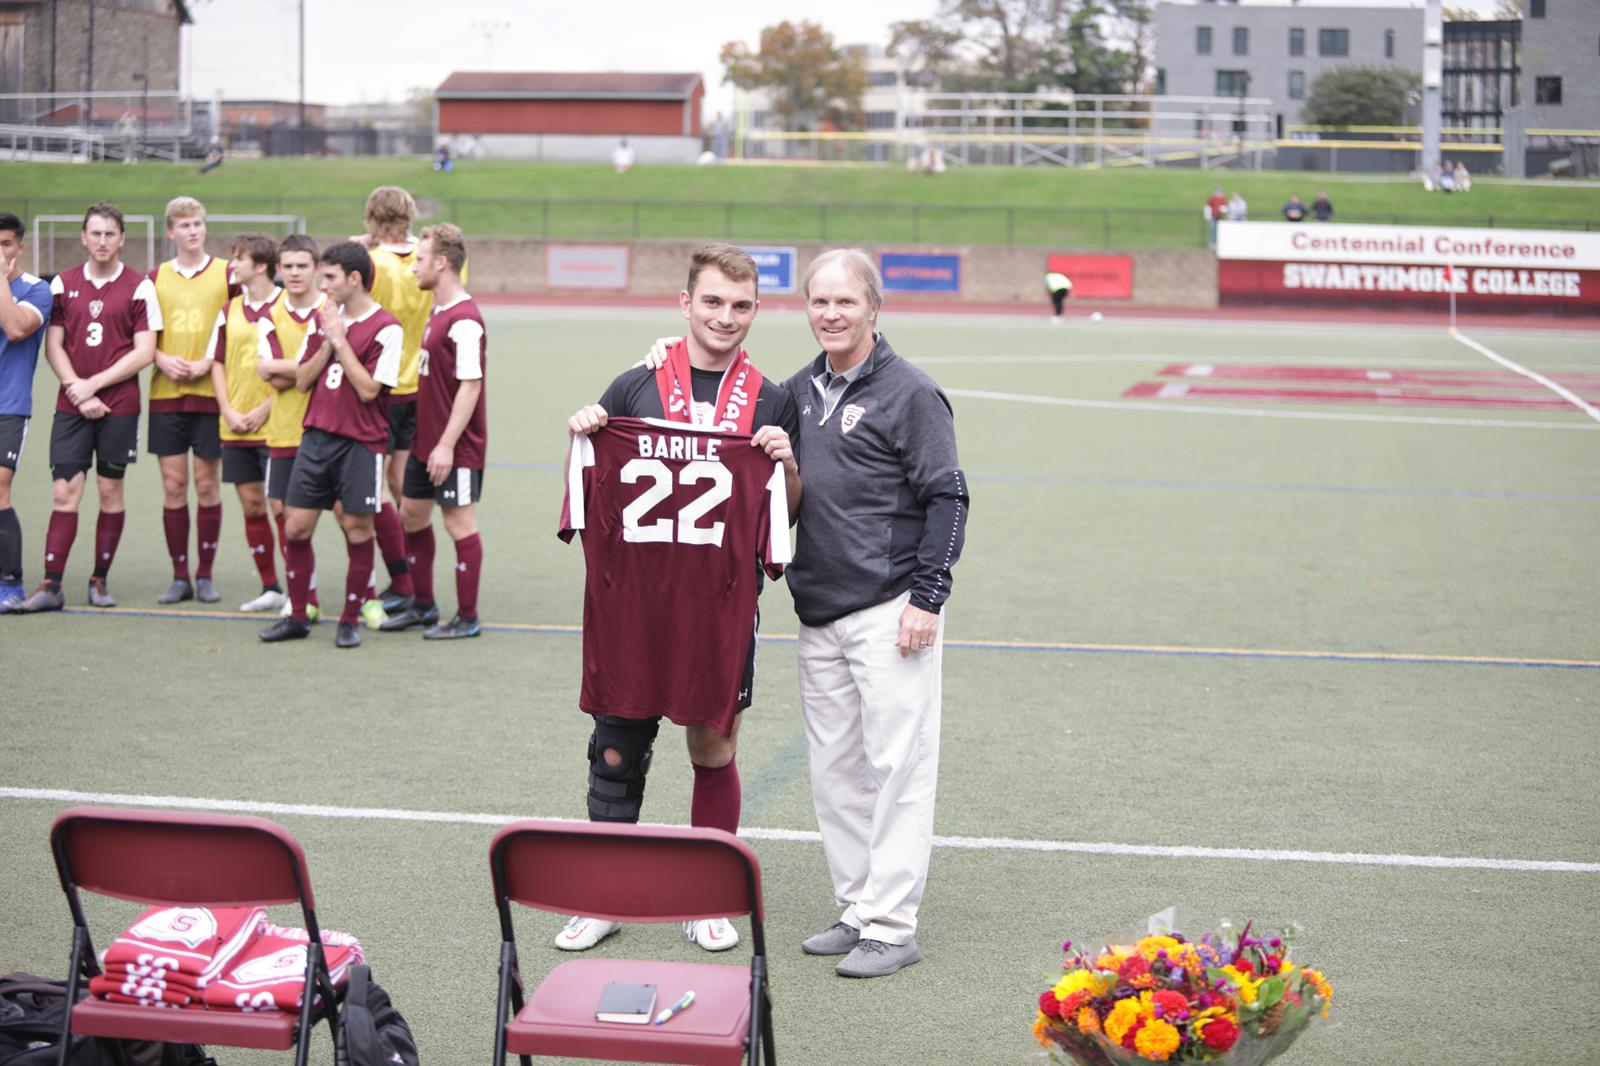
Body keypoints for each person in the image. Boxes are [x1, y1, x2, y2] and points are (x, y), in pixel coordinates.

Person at [559, 243, 800, 954]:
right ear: (686, 304)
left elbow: (789, 511)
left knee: (714, 740)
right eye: (714, 302)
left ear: (757, 310)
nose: (726, 317)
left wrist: (785, 464)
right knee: (616, 745)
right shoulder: (633, 386)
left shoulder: (772, 398)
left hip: (721, 602)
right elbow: (591, 477)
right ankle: (603, 896)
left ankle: (706, 894)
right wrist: (583, 433)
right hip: (635, 600)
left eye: (742, 305)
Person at [783, 249, 968, 979]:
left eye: (845, 302)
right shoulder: (796, 389)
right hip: (819, 606)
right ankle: (858, 907)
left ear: (874, 308)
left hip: (892, 606)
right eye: (819, 301)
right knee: (835, 771)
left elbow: (948, 497)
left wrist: (928, 597)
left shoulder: (912, 392)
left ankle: (893, 925)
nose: (831, 313)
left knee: (899, 769)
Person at [12, 201, 161, 613]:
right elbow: (54, 344)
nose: (102, 241)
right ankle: (51, 584)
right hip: (72, 405)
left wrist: (93, 385)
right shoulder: (62, 284)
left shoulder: (139, 286)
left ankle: (99, 579)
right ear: (83, 237)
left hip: (120, 406)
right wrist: (76, 389)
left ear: (122, 239)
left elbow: (145, 351)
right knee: (64, 491)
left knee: (110, 489)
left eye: (110, 233)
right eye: (95, 233)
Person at [257, 242, 401, 649]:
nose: (323, 284)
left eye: (330, 277)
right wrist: (327, 339)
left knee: (357, 531)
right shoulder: (325, 318)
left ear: (354, 279)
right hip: (316, 438)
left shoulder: (387, 328)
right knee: (296, 527)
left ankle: (350, 620)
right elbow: (302, 380)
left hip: (361, 445)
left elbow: (371, 389)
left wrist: (341, 341)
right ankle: (299, 615)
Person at [383, 223, 487, 639]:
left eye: (420, 261)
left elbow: (471, 385)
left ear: (441, 263)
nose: (414, 270)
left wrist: (446, 445)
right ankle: (423, 606)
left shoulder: (465, 320)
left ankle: (467, 617)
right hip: (425, 445)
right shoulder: (438, 311)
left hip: (455, 449)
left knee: (459, 524)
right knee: (412, 515)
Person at [148, 196, 232, 606]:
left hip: (210, 396)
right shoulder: (155, 277)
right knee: (173, 485)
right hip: (167, 396)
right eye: (184, 226)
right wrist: (161, 358)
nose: (193, 231)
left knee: (206, 485)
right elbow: (144, 336)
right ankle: (179, 575)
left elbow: (240, 328)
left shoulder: (226, 275)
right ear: (171, 232)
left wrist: (209, 362)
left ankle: (205, 575)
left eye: (198, 223)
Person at [356, 186, 427, 622]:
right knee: (402, 488)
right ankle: (413, 576)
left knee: (374, 490)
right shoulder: (429, 256)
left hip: (378, 386)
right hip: (421, 382)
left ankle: (401, 580)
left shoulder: (366, 263)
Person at [208, 233, 284, 613]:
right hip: (235, 425)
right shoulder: (229, 309)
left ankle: (300, 589)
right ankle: (271, 587)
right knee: (252, 506)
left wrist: (266, 408)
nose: (232, 265)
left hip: (278, 426)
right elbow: (217, 363)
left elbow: (304, 367)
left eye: (239, 259)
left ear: (261, 266)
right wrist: (227, 410)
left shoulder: (287, 305)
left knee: (282, 508)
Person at [255, 233, 324, 622]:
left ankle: (367, 594)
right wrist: (305, 366)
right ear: (278, 269)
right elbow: (276, 378)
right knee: (283, 513)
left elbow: (303, 372)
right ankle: (304, 596)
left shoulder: (332, 309)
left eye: (303, 266)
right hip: (283, 428)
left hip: (326, 430)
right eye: (289, 266)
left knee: (352, 518)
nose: (296, 273)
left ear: (316, 268)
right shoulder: (270, 315)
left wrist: (293, 368)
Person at [0, 213, 53, 611]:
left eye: (5, 244)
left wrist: (1, 280)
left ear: (19, 246)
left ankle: (10, 584)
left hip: (9, 406)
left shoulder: (36, 290)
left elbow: (17, 328)